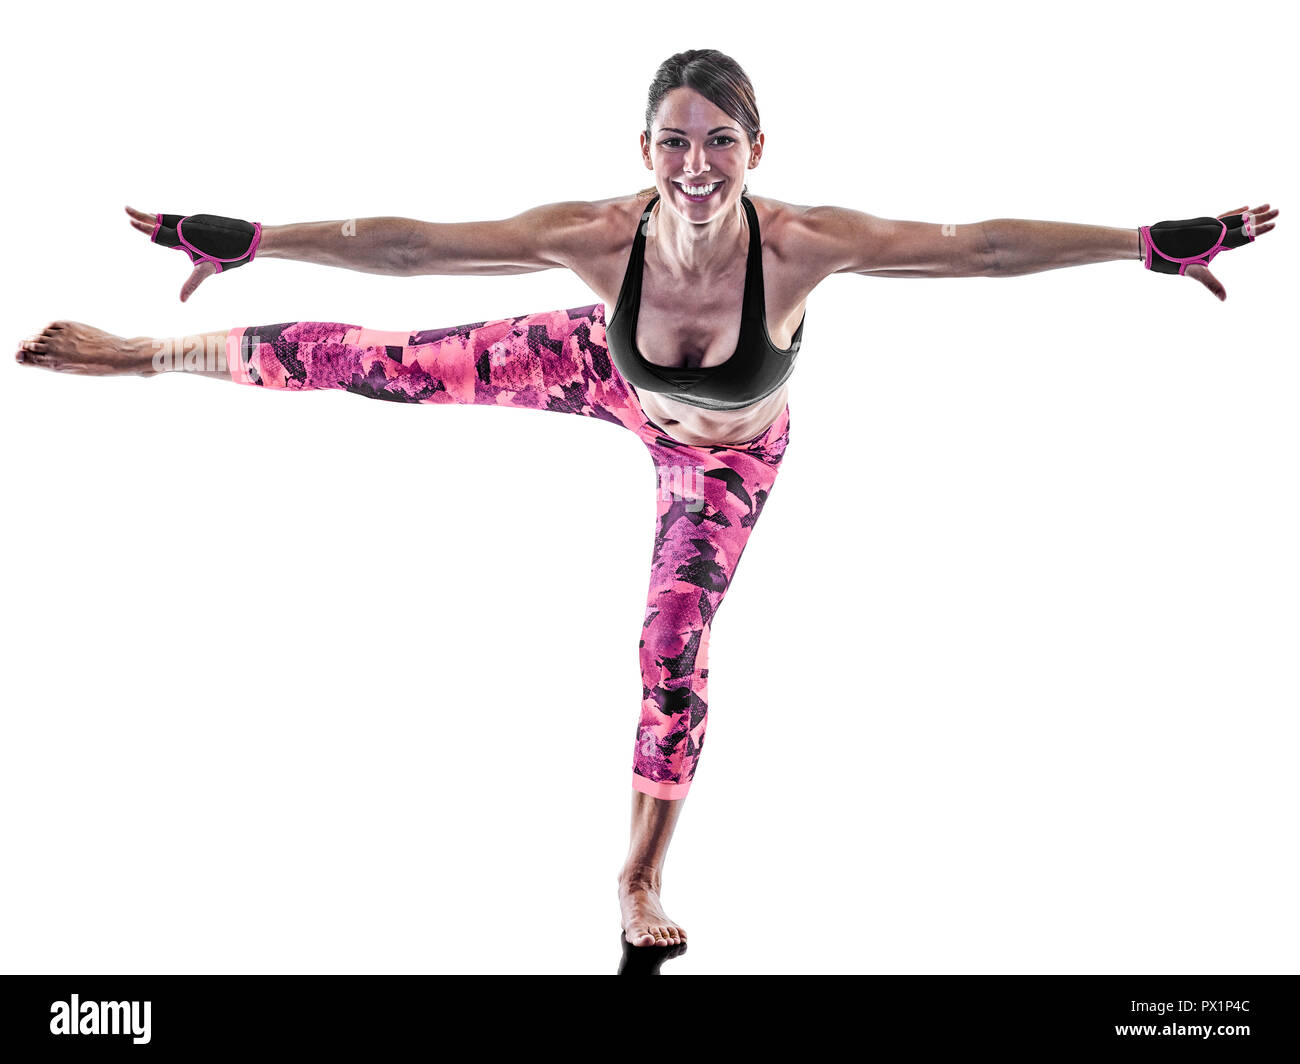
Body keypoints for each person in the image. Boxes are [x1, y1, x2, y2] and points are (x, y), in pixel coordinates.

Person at [14, 48, 1276, 957]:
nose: (694, 163)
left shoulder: (801, 242)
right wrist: (256, 233)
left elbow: (974, 246)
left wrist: (1144, 242)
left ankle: (636, 875)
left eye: (718, 140)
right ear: (644, 151)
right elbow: (409, 246)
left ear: (755, 153)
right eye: (674, 140)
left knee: (672, 639)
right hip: (590, 361)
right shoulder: (597, 231)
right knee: (387, 359)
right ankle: (149, 356)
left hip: (721, 459)